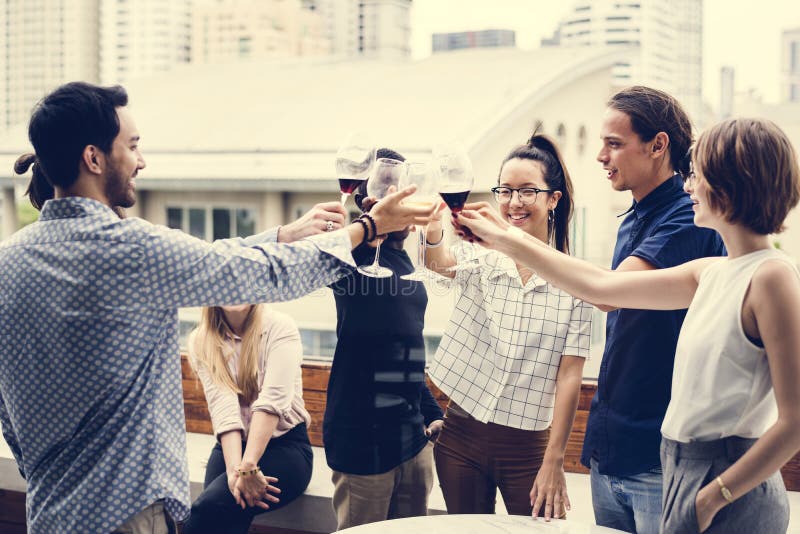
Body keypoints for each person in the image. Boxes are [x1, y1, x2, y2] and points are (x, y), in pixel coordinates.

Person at [0, 81, 433, 533]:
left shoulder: (8, 262)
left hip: (50, 513)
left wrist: (281, 236)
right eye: (131, 146)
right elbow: (255, 275)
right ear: (93, 158)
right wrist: (366, 228)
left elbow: (7, 412)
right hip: (125, 514)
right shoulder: (132, 250)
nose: (141, 160)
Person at [457, 117, 800, 533]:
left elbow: (795, 421)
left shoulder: (773, 277)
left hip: (726, 480)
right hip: (682, 470)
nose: (688, 186)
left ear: (731, 184)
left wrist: (716, 495)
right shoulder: (711, 272)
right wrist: (505, 239)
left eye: (698, 175)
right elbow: (602, 286)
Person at [568, 86, 725, 533]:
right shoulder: (633, 217)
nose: (600, 155)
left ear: (658, 145)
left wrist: (517, 240)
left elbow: (607, 292)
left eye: (614, 143)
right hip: (609, 450)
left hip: (658, 459)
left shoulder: (685, 219)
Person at [423, 133, 593, 520]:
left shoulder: (576, 280)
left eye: (528, 191)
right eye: (506, 190)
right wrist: (434, 226)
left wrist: (555, 461)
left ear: (553, 199)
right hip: (460, 437)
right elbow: (438, 264)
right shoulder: (481, 257)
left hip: (528, 450)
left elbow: (570, 378)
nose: (514, 203)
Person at [325, 148, 444, 530]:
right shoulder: (350, 258)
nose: (406, 203)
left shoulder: (406, 263)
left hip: (411, 439)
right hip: (362, 443)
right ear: (371, 198)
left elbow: (404, 352)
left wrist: (431, 414)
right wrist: (369, 229)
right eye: (395, 193)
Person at [182, 304, 312, 533]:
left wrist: (248, 466)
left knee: (208, 508)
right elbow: (224, 409)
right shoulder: (201, 339)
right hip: (231, 445)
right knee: (223, 518)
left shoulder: (279, 327)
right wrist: (236, 471)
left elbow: (272, 402)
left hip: (285, 446)